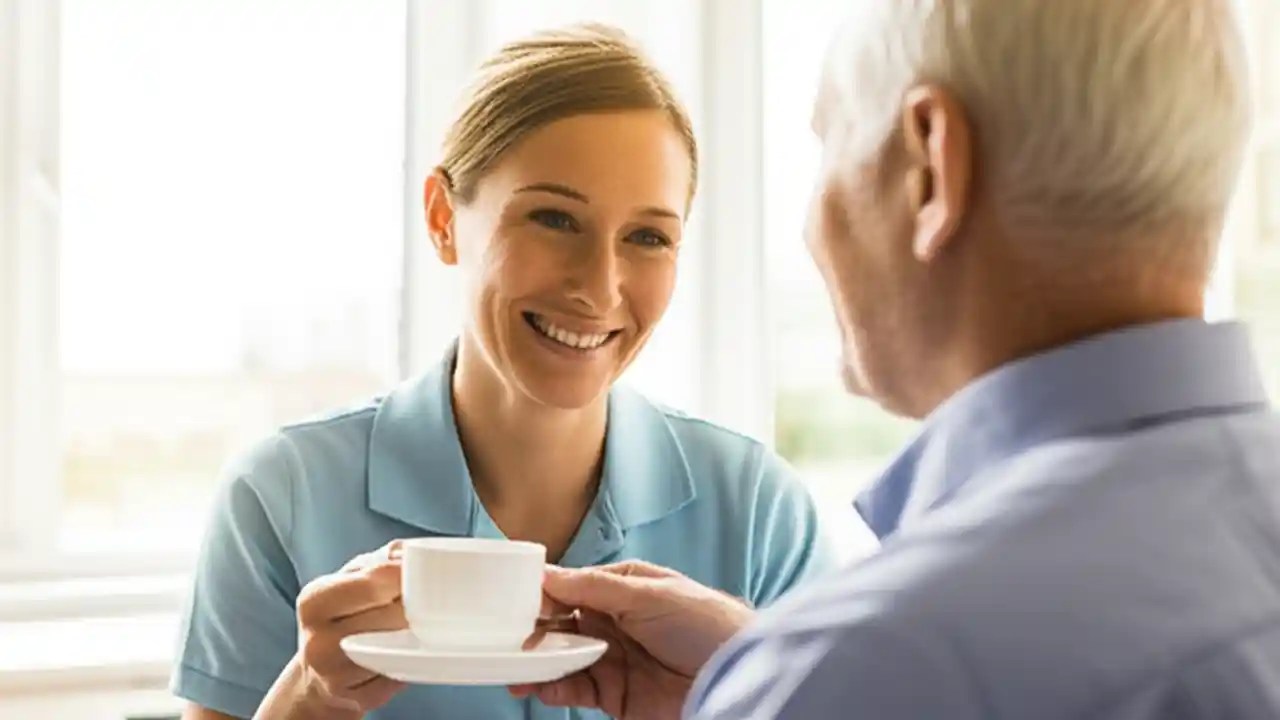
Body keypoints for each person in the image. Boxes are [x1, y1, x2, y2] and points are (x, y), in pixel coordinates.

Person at [514, 1, 1280, 718]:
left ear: (930, 168)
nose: (812, 231)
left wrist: (789, 684)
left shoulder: (860, 669)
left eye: (830, 145)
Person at [171, 24, 834, 720]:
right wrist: (311, 692)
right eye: (553, 218)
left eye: (647, 236)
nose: (600, 286)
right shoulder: (280, 498)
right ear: (442, 218)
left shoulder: (759, 513)